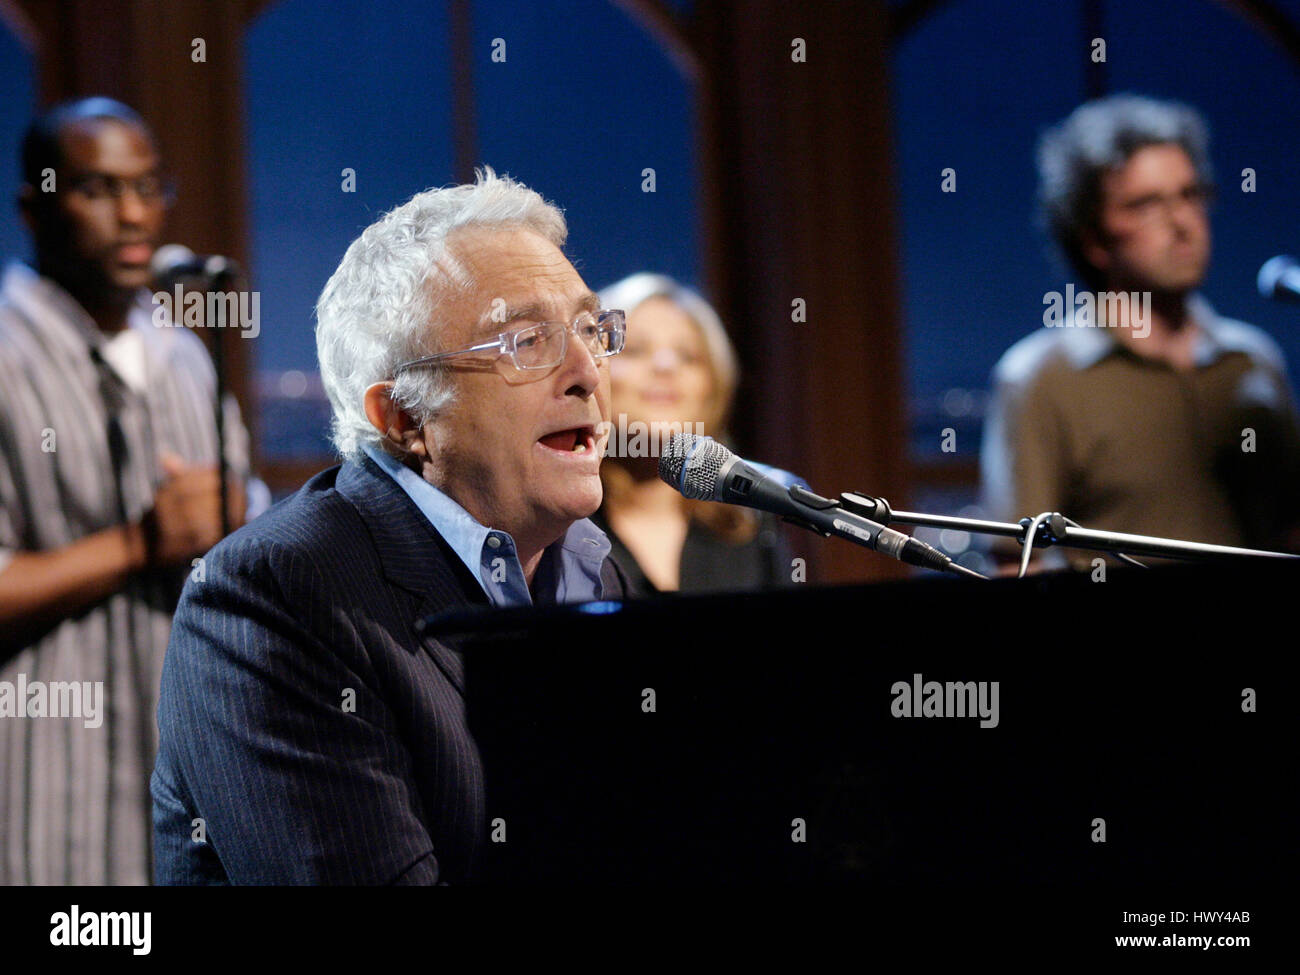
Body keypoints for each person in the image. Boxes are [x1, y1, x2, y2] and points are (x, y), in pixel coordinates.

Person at [152, 169, 630, 884]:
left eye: (592, 330)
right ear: (405, 419)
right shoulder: (273, 595)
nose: (588, 371)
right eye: (527, 340)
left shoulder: (593, 565)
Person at [0, 97, 250, 884]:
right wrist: (138, 543)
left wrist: (237, 514)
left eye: (149, 187)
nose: (134, 214)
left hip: (184, 775)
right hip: (44, 786)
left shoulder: (183, 354)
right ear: (33, 209)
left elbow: (242, 518)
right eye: (97, 190)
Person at [981, 94, 1300, 569]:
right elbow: (1016, 560)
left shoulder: (1252, 359)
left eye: (1191, 195)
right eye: (1147, 204)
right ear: (1093, 238)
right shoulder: (1042, 376)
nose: (1181, 222)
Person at [592, 273, 788, 594]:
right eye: (637, 350)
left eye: (688, 356)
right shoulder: (559, 529)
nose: (666, 365)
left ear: (713, 388)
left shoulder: (752, 526)